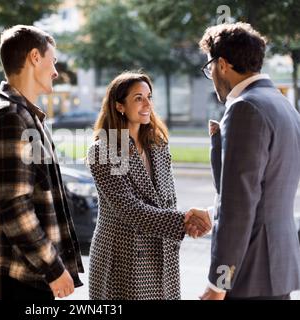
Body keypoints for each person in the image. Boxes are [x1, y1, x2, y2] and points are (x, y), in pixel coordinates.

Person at [0, 25, 83, 300]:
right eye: (53, 61)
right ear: (35, 57)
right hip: (19, 278)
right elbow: (13, 205)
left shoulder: (24, 114)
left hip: (26, 274)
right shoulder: (9, 116)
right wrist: (53, 268)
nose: (56, 71)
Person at [195, 22, 300, 300]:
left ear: (223, 65)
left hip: (249, 272)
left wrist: (217, 284)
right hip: (276, 269)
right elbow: (267, 189)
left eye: (209, 68)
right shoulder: (283, 105)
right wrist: (211, 211)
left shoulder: (245, 108)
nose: (212, 76)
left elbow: (239, 205)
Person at [86, 71, 211, 300]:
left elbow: (168, 200)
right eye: (138, 98)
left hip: (162, 254)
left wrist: (189, 220)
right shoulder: (103, 151)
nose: (147, 104)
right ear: (119, 106)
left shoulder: (158, 145)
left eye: (149, 96)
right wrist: (185, 221)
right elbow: (130, 209)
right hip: (123, 260)